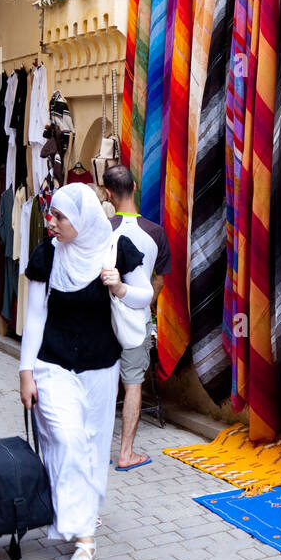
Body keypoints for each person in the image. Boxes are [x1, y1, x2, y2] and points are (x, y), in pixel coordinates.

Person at [19, 183, 150, 560]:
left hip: (101, 365)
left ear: (83, 219)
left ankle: (81, 517)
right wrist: (26, 371)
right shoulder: (47, 256)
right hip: (52, 364)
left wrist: (120, 286)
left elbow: (144, 295)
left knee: (92, 446)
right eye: (53, 214)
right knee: (66, 437)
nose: (51, 222)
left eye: (60, 216)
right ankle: (84, 539)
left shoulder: (117, 250)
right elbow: (35, 316)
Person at [101, 165, 170, 471]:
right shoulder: (155, 232)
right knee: (133, 384)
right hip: (136, 319)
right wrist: (145, 298)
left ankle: (98, 451)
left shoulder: (103, 229)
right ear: (134, 189)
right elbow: (161, 279)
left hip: (102, 317)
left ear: (108, 194)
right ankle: (126, 453)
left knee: (99, 384)